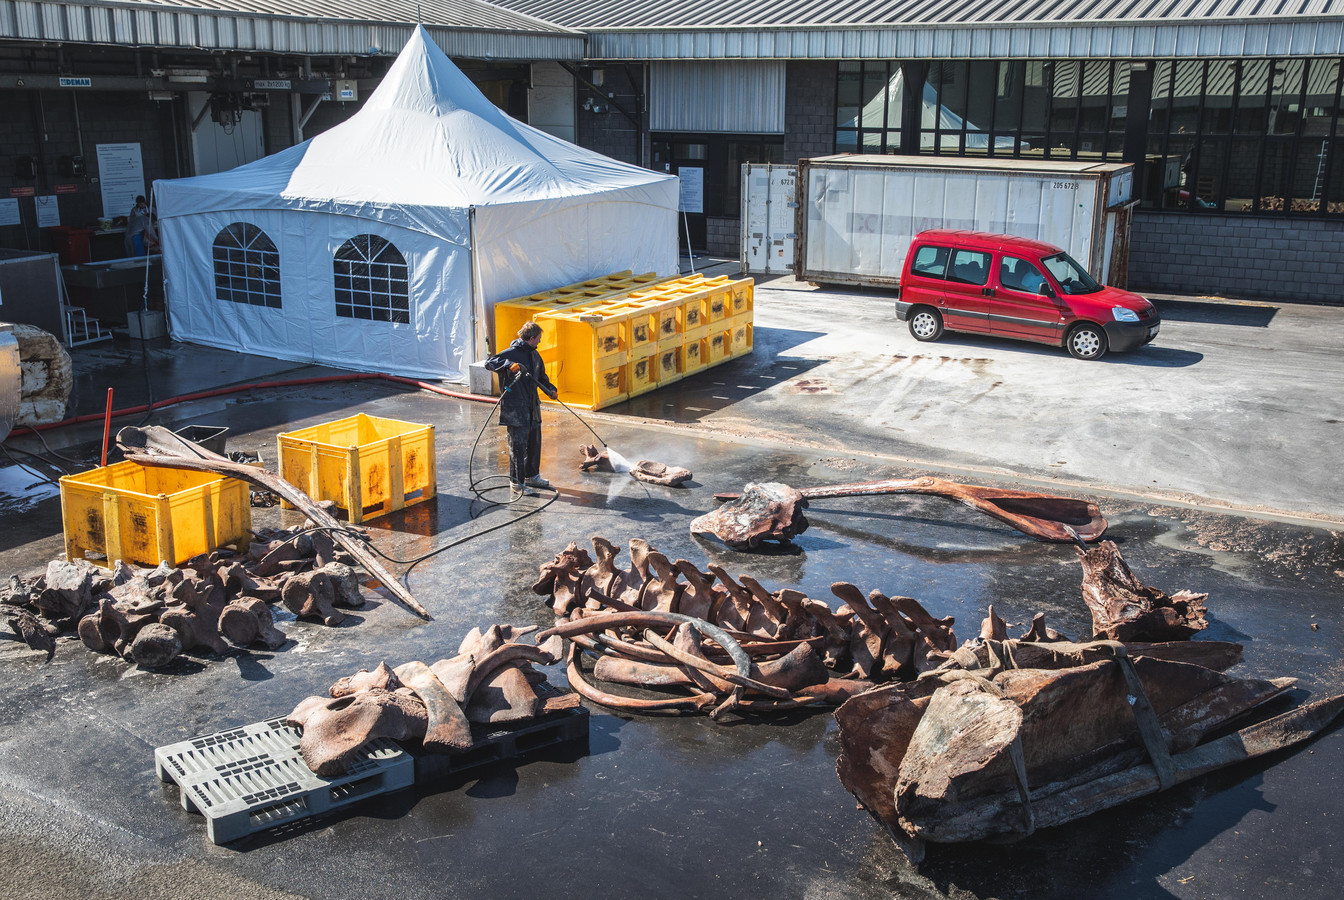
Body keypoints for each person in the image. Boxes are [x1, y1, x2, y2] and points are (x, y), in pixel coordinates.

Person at [485, 320, 558, 498]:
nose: (540, 342)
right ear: (531, 338)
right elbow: (490, 363)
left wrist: (550, 389)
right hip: (516, 409)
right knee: (517, 448)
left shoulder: (534, 355)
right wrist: (508, 365)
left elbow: (541, 376)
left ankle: (532, 476)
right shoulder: (510, 353)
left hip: (532, 407)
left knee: (534, 443)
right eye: (539, 338)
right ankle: (517, 483)